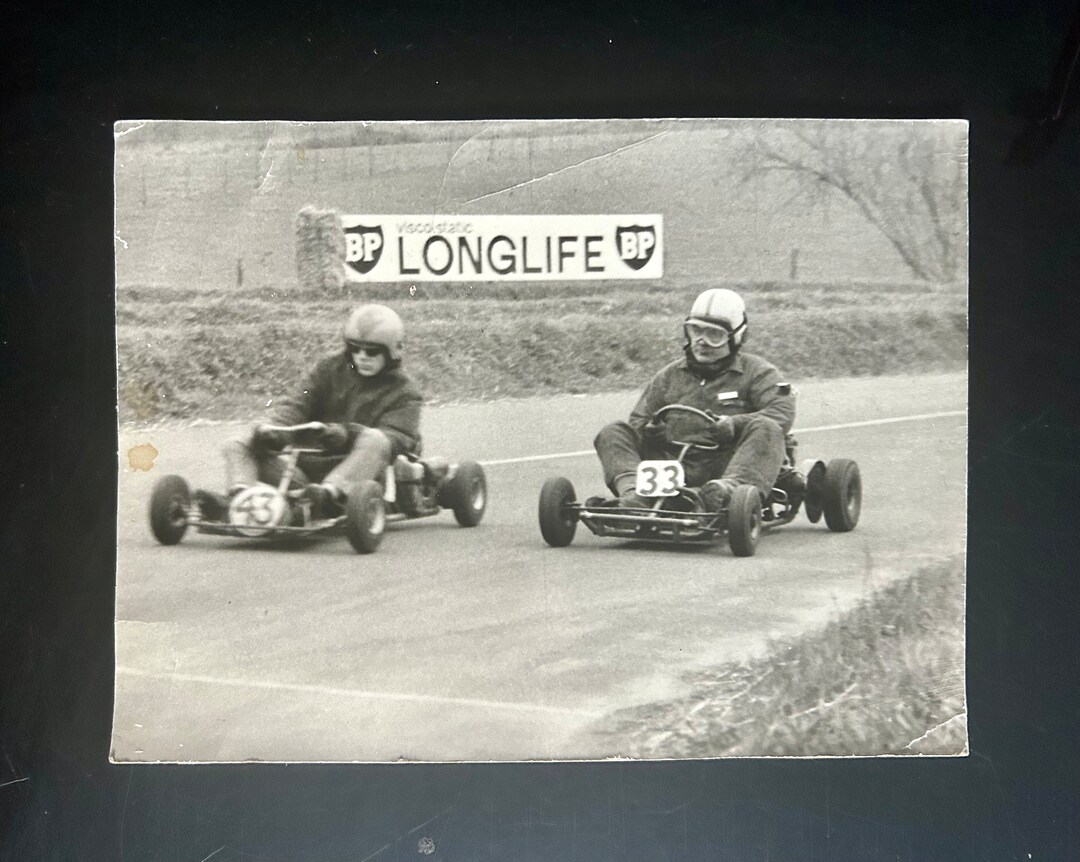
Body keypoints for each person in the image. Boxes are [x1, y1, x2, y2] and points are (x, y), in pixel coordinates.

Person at [593, 288, 796, 510]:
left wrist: (734, 424)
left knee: (768, 427)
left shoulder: (759, 372)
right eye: (695, 331)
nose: (702, 342)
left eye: (714, 335)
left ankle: (727, 491)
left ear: (736, 337)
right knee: (614, 431)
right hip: (673, 462)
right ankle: (635, 494)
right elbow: (638, 420)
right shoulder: (669, 375)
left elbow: (781, 413)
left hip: (727, 461)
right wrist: (653, 432)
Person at [217, 303, 423, 519]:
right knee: (239, 443)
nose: (361, 356)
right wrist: (274, 431)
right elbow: (297, 404)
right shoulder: (329, 369)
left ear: (392, 352)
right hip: (306, 475)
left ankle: (331, 496)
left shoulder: (405, 392)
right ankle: (240, 499)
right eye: (354, 349)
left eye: (371, 352)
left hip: (362, 478)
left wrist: (345, 434)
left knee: (377, 439)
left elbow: (397, 439)